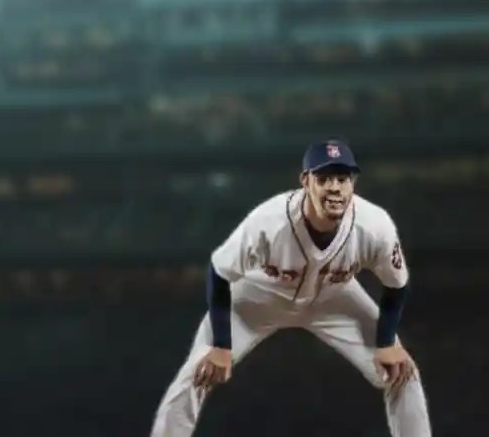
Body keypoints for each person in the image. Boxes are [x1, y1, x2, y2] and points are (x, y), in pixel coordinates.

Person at [149, 139, 432, 436]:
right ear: (305, 181)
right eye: (324, 179)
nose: (335, 187)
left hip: (333, 298)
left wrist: (387, 343)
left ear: (353, 182)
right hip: (260, 296)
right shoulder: (269, 220)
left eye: (343, 178)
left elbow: (396, 285)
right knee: (199, 370)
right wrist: (220, 346)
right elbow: (220, 272)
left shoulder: (374, 226)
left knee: (403, 372)